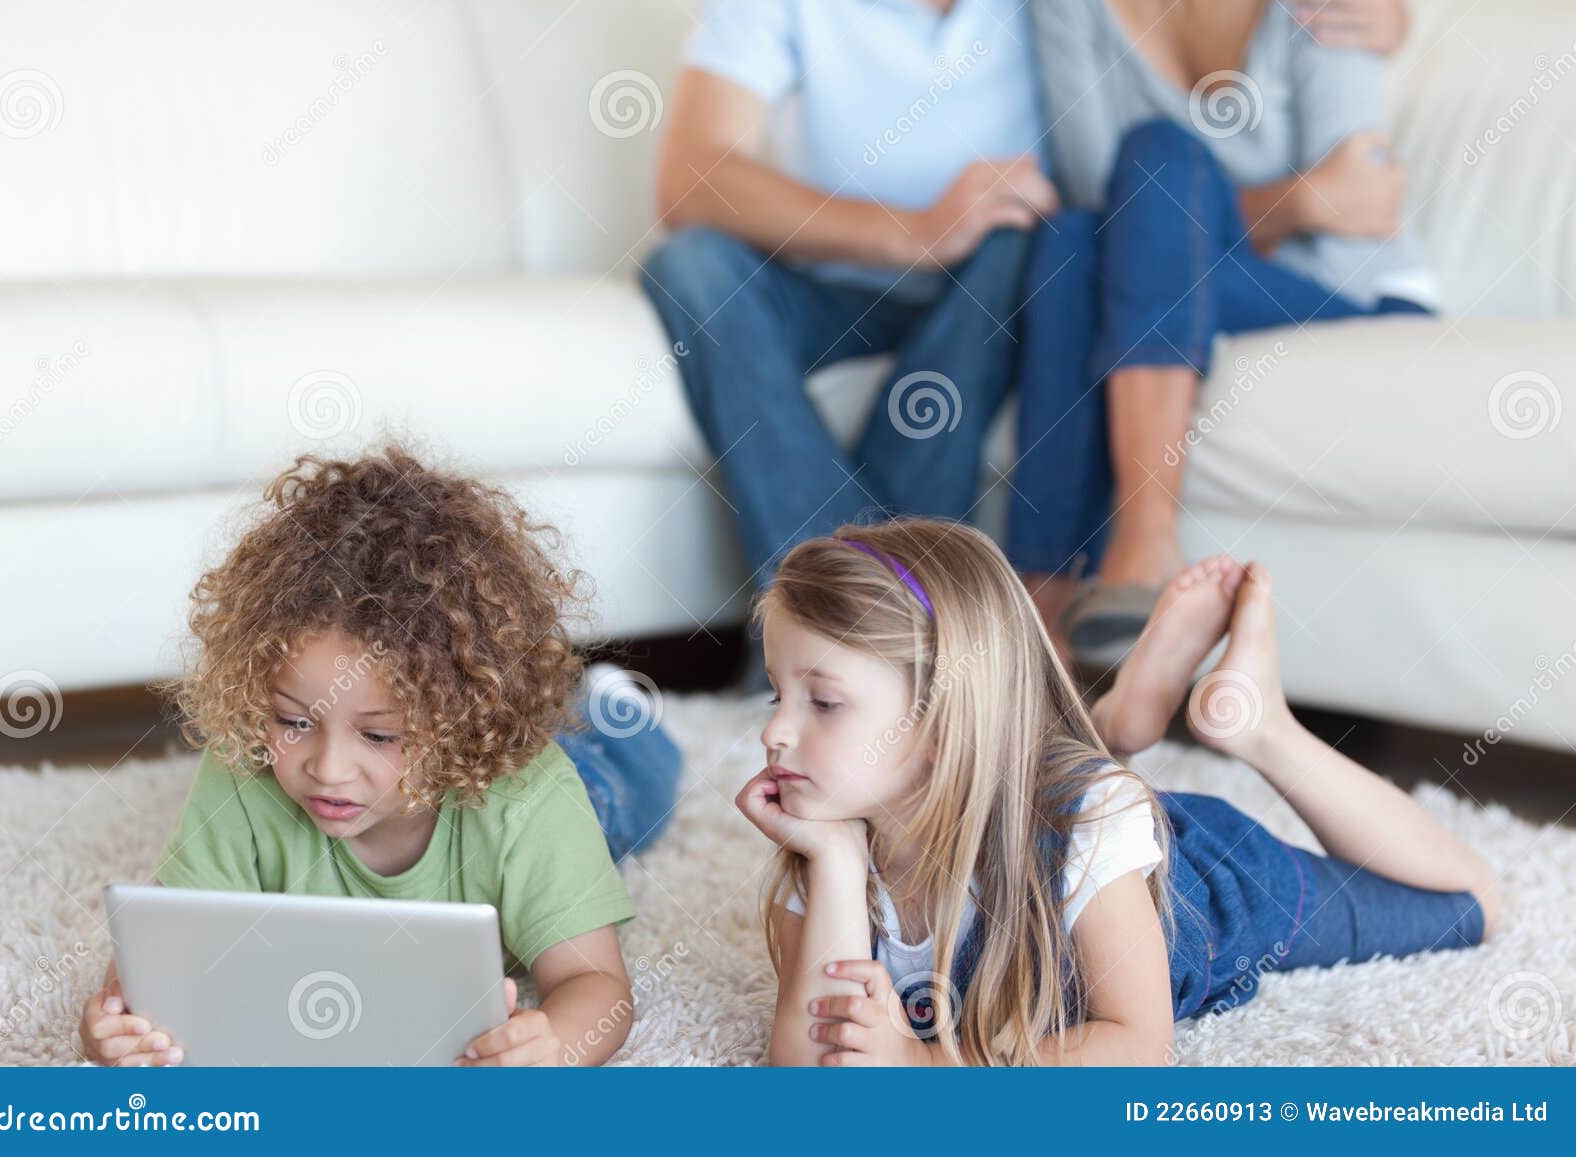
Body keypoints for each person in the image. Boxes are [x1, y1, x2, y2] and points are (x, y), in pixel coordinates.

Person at [737, 518, 1497, 1065]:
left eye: (824, 702)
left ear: (946, 719)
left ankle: (1263, 727)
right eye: (775, 694)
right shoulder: (836, 826)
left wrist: (929, 1067)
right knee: (1062, 788)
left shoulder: (1089, 827)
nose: (775, 731)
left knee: (1468, 906)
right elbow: (806, 1074)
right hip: (1031, 800)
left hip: (1210, 877)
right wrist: (834, 862)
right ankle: (1117, 722)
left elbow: (1137, 1040)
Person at [76, 445, 681, 1067]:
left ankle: (613, 703)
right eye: (295, 721)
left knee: (627, 776)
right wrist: (123, 1018)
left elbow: (598, 987)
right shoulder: (243, 768)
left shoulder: (533, 795)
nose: (328, 768)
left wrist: (554, 1044)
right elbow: (168, 953)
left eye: (381, 735)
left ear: (462, 721)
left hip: (583, 782)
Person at [1011, 0, 1430, 664]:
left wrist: (1167, 218)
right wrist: (1296, 200)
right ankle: (1044, 630)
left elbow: (1360, 196)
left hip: (1345, 295)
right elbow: (1100, 193)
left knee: (1154, 161)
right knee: (1073, 237)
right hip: (1161, 278)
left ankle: (1140, 546)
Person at [641, 0, 1058, 659]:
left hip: (992, 280)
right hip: (825, 285)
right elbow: (692, 177)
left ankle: (832, 628)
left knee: (1029, 242)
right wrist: (916, 233)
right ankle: (884, 625)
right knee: (691, 265)